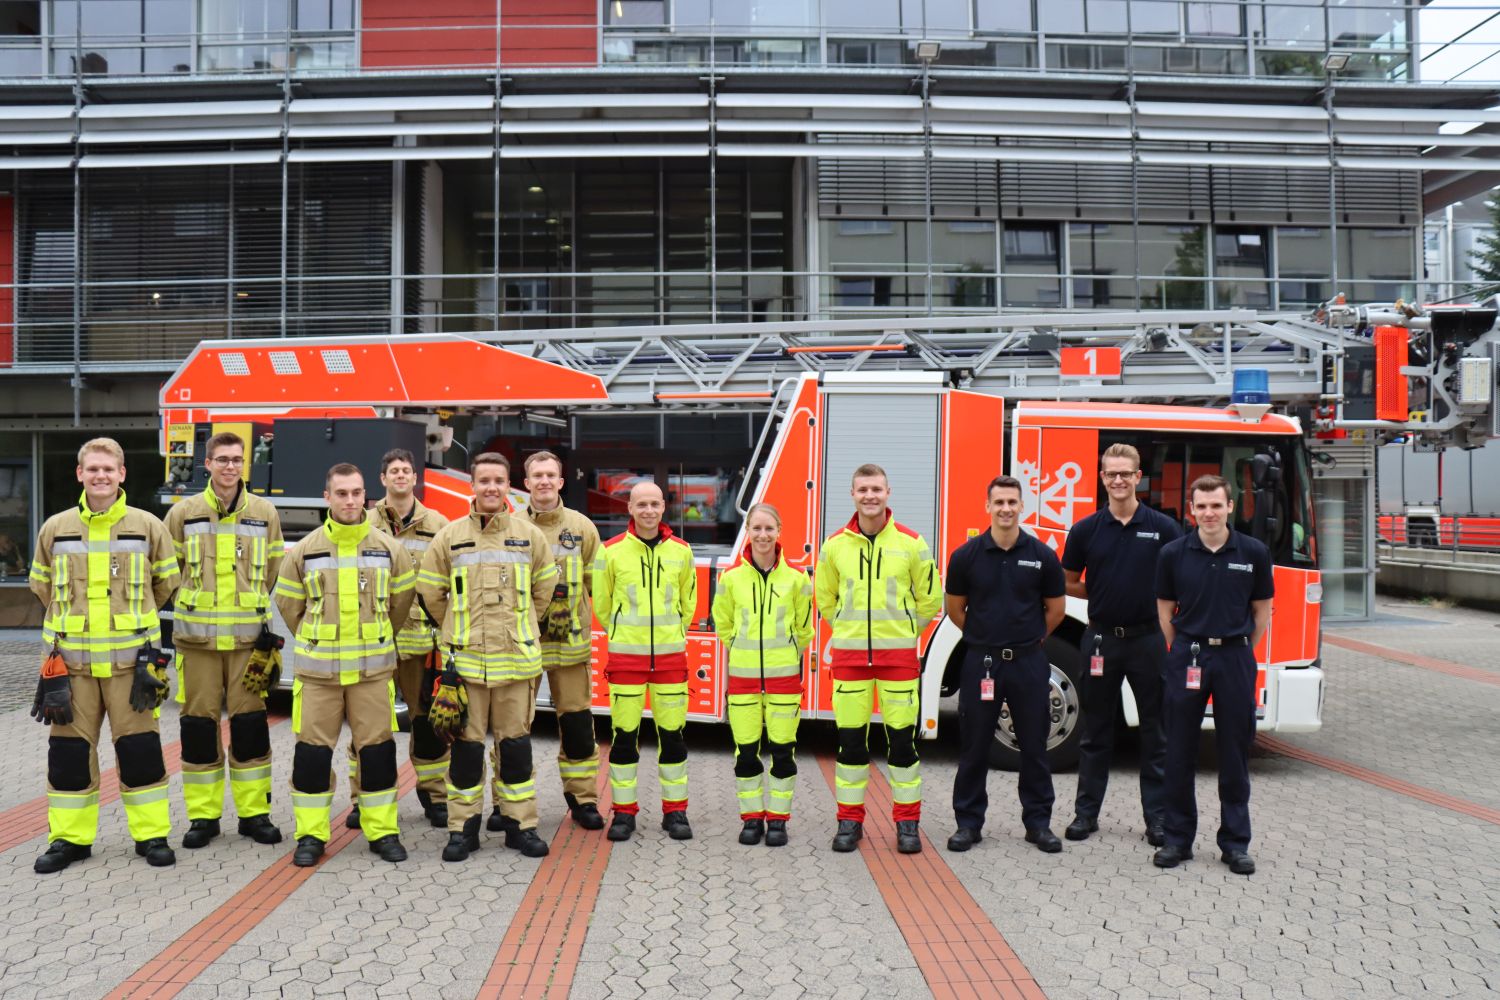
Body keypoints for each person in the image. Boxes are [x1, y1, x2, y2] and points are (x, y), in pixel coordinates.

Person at [29, 437, 181, 873]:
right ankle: (69, 840)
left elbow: (165, 584)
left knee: (140, 751)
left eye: (108, 469)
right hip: (71, 668)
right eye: (92, 469)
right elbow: (42, 588)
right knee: (69, 756)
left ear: (122, 474)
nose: (100, 476)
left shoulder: (148, 525)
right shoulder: (54, 529)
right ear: (80, 474)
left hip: (131, 667)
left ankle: (151, 836)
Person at [416, 453, 559, 861]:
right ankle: (463, 831)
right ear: (472, 486)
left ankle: (521, 827)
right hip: (467, 669)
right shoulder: (450, 536)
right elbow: (430, 592)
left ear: (508, 484)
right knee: (465, 752)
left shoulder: (529, 535)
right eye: (484, 481)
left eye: (499, 480)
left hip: (516, 664)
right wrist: (456, 631)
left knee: (516, 749)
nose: (491, 488)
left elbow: (545, 590)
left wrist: (524, 625)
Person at [274, 463, 416, 866]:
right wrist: (320, 639)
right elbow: (289, 607)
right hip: (319, 676)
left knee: (377, 755)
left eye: (356, 493)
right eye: (341, 493)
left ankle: (382, 831)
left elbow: (400, 606)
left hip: (372, 674)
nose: (350, 500)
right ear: (327, 497)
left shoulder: (391, 550)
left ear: (366, 497)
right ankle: (311, 836)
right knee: (312, 757)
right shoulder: (305, 550)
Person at [164, 431, 285, 850]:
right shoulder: (184, 513)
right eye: (223, 459)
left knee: (250, 728)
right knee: (199, 728)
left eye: (237, 459)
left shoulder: (265, 512)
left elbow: (272, 573)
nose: (231, 466)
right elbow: (167, 571)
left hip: (248, 642)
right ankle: (203, 817)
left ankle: (254, 815)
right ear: (208, 465)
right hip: (196, 642)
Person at [815, 463, 942, 855]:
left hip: (898, 660)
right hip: (851, 660)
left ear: (889, 493)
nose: (870, 496)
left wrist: (904, 633)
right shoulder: (834, 545)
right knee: (851, 746)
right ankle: (849, 823)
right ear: (852, 495)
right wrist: (850, 632)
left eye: (876, 489)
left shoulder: (911, 542)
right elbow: (825, 599)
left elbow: (931, 599)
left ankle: (907, 824)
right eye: (862, 490)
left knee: (903, 746)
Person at [1060, 443, 1181, 847]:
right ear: (1102, 478)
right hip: (1100, 640)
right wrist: (1101, 588)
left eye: (1125, 473)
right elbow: (1067, 579)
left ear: (1138, 476)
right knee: (1095, 733)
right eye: (1111, 473)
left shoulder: (1163, 528)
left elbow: (1180, 580)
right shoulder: (1086, 529)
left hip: (1147, 639)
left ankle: (1158, 820)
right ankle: (1085, 815)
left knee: (1156, 734)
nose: (1118, 480)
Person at [1153, 474, 1274, 875]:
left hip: (1235, 660)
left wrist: (1235, 649)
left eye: (1216, 505)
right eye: (1201, 506)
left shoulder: (1253, 552)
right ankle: (1177, 839)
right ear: (1191, 510)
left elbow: (1262, 613)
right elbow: (1165, 610)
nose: (1209, 513)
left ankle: (1235, 844)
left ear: (1230, 507)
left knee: (1234, 753)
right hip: (1188, 655)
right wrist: (1188, 646)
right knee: (1179, 750)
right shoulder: (1173, 553)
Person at [943, 476, 1066, 854]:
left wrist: (1027, 640)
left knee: (1034, 746)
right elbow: (954, 609)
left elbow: (1056, 611)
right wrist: (986, 638)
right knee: (975, 746)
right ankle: (968, 823)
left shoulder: (1042, 555)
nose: (1006, 509)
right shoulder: (966, 556)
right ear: (988, 506)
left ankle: (1038, 823)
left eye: (1012, 502)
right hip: (982, 662)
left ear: (1021, 506)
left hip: (1028, 662)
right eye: (999, 502)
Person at [345, 449, 450, 833]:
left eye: (407, 470)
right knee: (369, 725)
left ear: (415, 478)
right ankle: (363, 799)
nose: (401, 476)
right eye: (394, 471)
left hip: (422, 641)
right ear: (383, 479)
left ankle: (436, 797)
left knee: (429, 725)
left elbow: (447, 585)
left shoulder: (437, 523)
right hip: (373, 641)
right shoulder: (362, 521)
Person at [593, 480, 698, 843]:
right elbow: (603, 606)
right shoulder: (610, 552)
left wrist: (672, 634)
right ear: (630, 509)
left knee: (673, 738)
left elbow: (689, 603)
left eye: (655, 504)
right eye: (642, 505)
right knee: (624, 739)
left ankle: (676, 811)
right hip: (626, 659)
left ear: (664, 507)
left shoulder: (682, 552)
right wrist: (623, 633)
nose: (649, 511)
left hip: (670, 659)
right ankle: (624, 814)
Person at [711, 503, 813, 847]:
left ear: (779, 531)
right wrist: (739, 645)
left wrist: (785, 652)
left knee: (784, 752)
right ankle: (752, 819)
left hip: (784, 681)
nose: (763, 535)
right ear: (748, 532)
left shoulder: (798, 579)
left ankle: (779, 821)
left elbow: (805, 629)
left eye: (769, 528)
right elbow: (722, 624)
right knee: (747, 752)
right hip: (743, 681)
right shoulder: (732, 579)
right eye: (756, 528)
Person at [513, 450, 604, 832]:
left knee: (579, 725)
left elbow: (596, 585)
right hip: (522, 645)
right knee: (513, 729)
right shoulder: (510, 526)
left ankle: (583, 801)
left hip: (569, 646)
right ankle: (509, 803)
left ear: (561, 482)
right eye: (538, 475)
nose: (545, 481)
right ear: (527, 482)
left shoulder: (583, 528)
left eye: (552, 475)